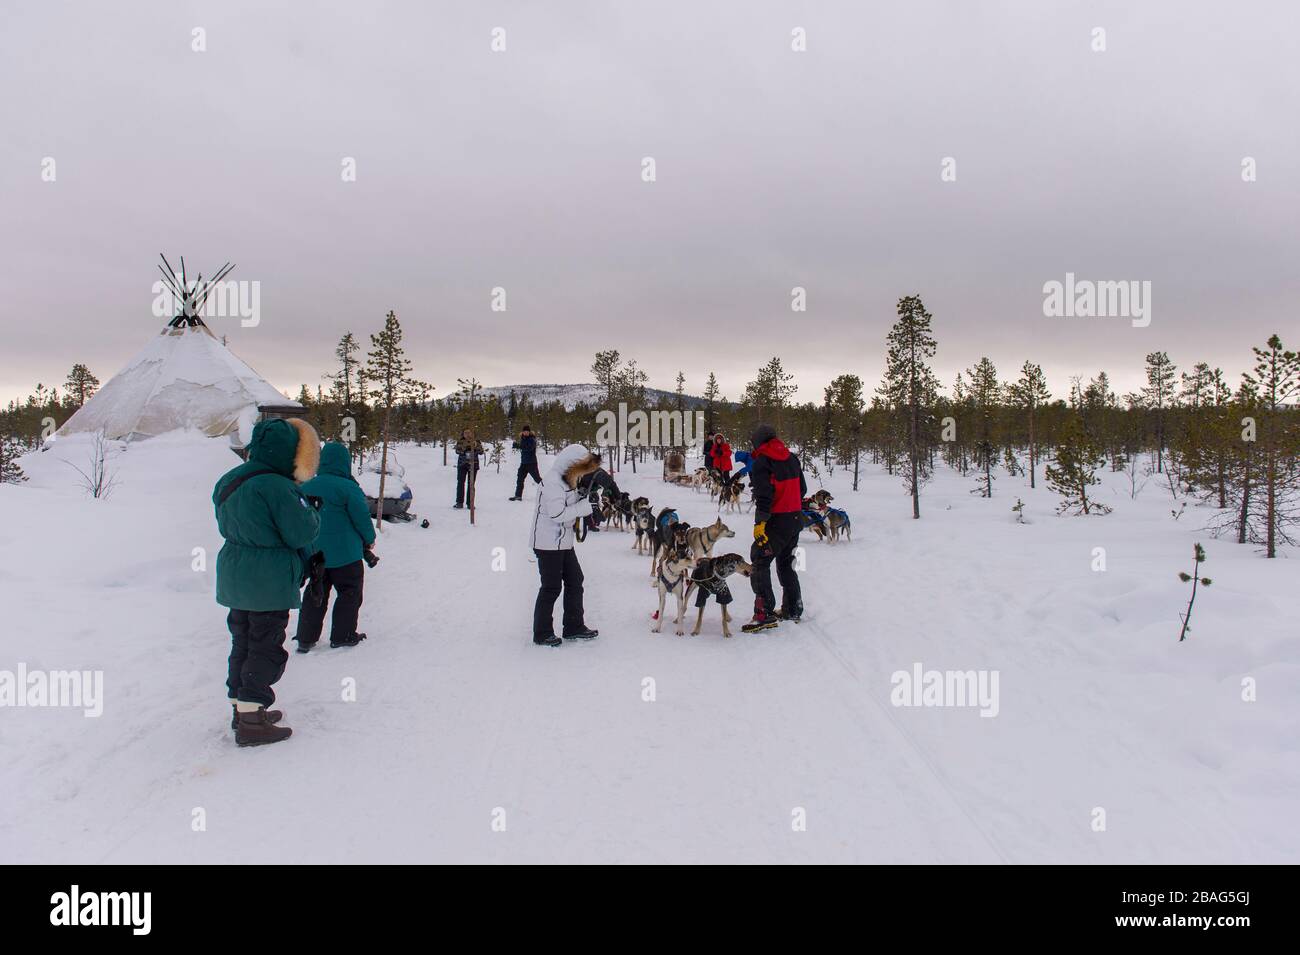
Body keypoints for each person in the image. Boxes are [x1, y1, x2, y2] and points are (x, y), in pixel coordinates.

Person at [214, 417, 321, 745]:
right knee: (266, 645)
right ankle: (252, 719)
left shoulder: (231, 478)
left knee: (242, 641)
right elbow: (301, 532)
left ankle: (243, 707)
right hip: (268, 578)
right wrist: (312, 511)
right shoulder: (278, 487)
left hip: (235, 572)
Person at [294, 441, 376, 652]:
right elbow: (361, 518)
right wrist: (369, 538)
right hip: (346, 555)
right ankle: (343, 635)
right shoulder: (348, 487)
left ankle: (305, 638)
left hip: (316, 554)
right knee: (349, 593)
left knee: (315, 593)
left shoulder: (306, 486)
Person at [528, 443, 603, 647]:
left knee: (575, 580)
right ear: (572, 465)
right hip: (547, 543)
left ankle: (573, 626)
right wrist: (583, 507)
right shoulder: (553, 482)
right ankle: (542, 633)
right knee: (551, 587)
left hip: (563, 542)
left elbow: (569, 503)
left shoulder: (567, 481)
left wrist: (585, 497)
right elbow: (557, 514)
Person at [742, 423, 806, 633]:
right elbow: (802, 488)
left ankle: (764, 613)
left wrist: (760, 523)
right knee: (786, 562)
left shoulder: (762, 461)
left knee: (760, 559)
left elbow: (764, 496)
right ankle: (792, 608)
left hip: (777, 520)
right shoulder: (792, 458)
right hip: (795, 518)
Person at [454, 427, 485, 509]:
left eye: (469, 432)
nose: (467, 434)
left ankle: (470, 503)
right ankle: (459, 502)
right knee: (460, 483)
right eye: (465, 433)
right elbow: (457, 451)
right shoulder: (460, 441)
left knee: (471, 484)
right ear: (463, 434)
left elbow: (481, 452)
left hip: (473, 465)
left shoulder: (476, 441)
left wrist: (475, 446)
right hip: (462, 465)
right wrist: (464, 447)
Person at [509, 425, 542, 501]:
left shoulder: (532, 439)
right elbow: (523, 447)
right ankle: (518, 496)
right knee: (520, 479)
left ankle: (549, 492)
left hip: (531, 463)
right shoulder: (523, 438)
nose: (526, 433)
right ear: (522, 432)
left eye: (527, 431)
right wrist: (517, 446)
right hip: (523, 463)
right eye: (524, 431)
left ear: (529, 432)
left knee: (537, 479)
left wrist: (519, 446)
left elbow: (529, 448)